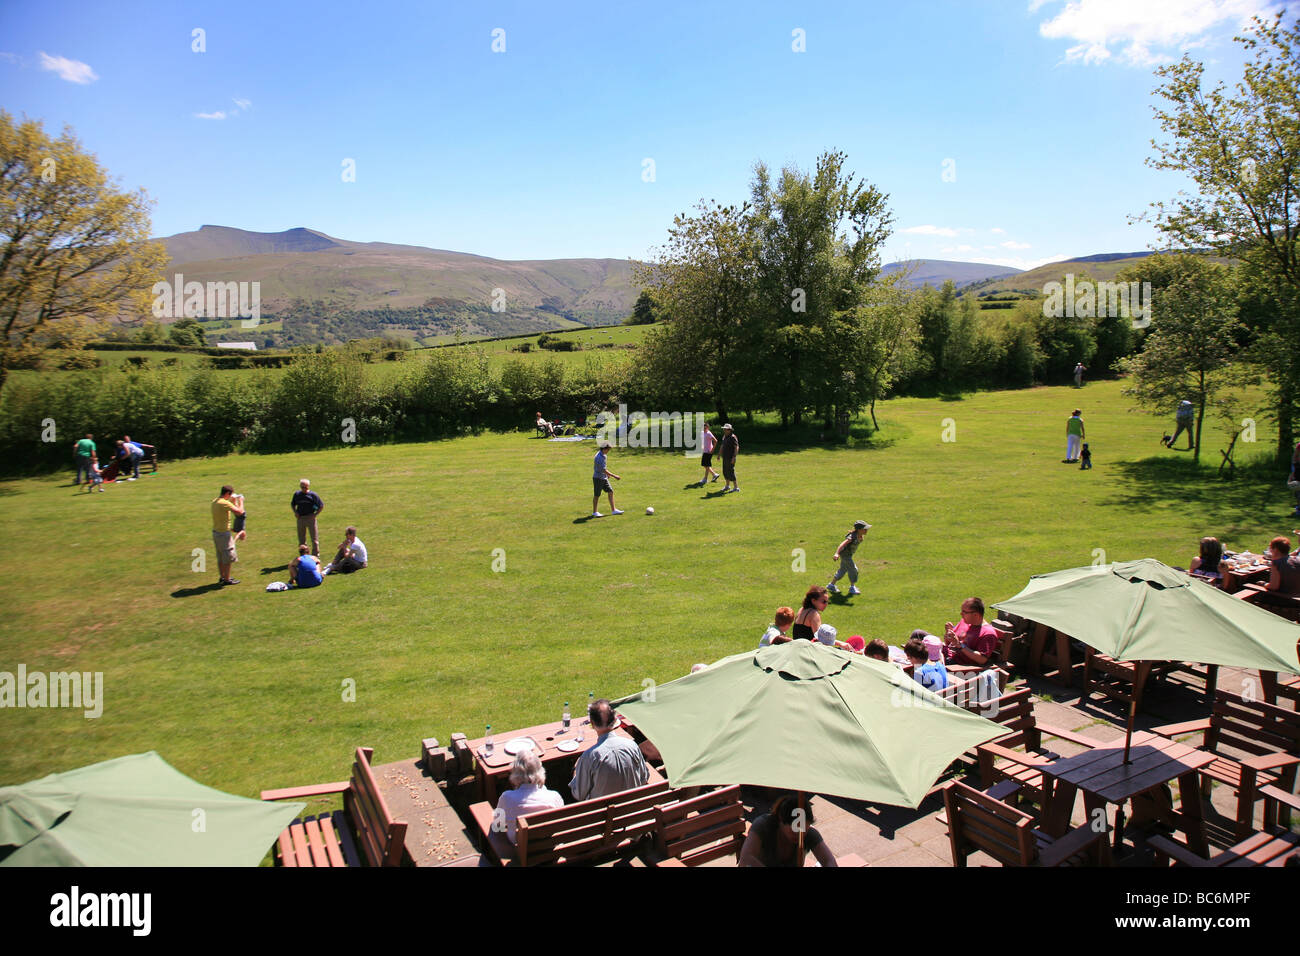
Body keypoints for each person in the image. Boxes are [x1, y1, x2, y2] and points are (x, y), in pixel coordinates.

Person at [568, 699, 649, 802]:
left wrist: (576, 770)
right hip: (633, 812)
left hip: (604, 816)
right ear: (615, 721)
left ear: (592, 724)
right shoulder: (632, 746)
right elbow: (644, 778)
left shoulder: (589, 757)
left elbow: (578, 795)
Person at [739, 795, 837, 867]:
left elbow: (829, 861)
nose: (800, 835)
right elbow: (746, 858)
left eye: (804, 830)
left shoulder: (810, 834)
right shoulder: (763, 825)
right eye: (794, 831)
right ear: (781, 820)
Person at [495, 751, 564, 844]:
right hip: (548, 847)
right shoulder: (554, 797)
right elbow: (560, 823)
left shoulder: (506, 797)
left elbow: (498, 824)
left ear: (514, 773)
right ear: (540, 771)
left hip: (518, 849)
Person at [943, 597, 1000, 667]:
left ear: (975, 615)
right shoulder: (964, 622)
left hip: (958, 667)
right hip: (945, 656)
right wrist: (948, 634)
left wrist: (960, 645)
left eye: (964, 612)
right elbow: (949, 644)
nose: (961, 614)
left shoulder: (988, 634)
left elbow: (982, 659)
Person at [211, 484, 245, 586]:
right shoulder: (224, 503)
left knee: (221, 557)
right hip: (223, 535)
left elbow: (222, 514)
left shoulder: (215, 501)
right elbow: (240, 512)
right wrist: (241, 500)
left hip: (216, 532)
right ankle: (227, 579)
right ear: (227, 493)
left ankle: (222, 577)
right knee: (228, 557)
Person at [827, 520, 870, 596]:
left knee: (843, 569)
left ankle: (831, 585)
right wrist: (837, 553)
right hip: (845, 555)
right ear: (859, 529)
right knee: (853, 569)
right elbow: (842, 544)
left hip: (848, 555)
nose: (867, 530)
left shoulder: (859, 535)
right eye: (865, 529)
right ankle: (852, 588)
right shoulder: (852, 536)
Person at [291, 479, 325, 556]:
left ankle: (316, 555)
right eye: (302, 487)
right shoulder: (297, 494)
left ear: (308, 486)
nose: (304, 489)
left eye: (305, 487)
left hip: (310, 518)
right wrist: (295, 512)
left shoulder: (313, 495)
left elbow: (321, 506)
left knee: (314, 539)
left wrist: (315, 514)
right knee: (301, 539)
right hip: (301, 518)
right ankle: (303, 555)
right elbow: (293, 504)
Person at [591, 441, 623, 517]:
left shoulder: (604, 455)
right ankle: (595, 512)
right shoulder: (599, 457)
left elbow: (604, 469)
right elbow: (603, 470)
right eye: (608, 450)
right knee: (597, 495)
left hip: (603, 477)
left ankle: (614, 510)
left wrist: (606, 475)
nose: (608, 451)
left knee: (610, 491)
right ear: (604, 449)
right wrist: (614, 476)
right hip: (598, 478)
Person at [719, 423, 740, 493]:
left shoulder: (733, 437)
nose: (724, 430)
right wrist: (719, 454)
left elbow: (736, 447)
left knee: (731, 471)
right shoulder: (725, 436)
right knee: (725, 471)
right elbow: (722, 445)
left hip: (730, 457)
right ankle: (727, 486)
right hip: (725, 457)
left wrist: (734, 457)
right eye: (724, 429)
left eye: (725, 429)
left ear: (729, 430)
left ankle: (736, 487)